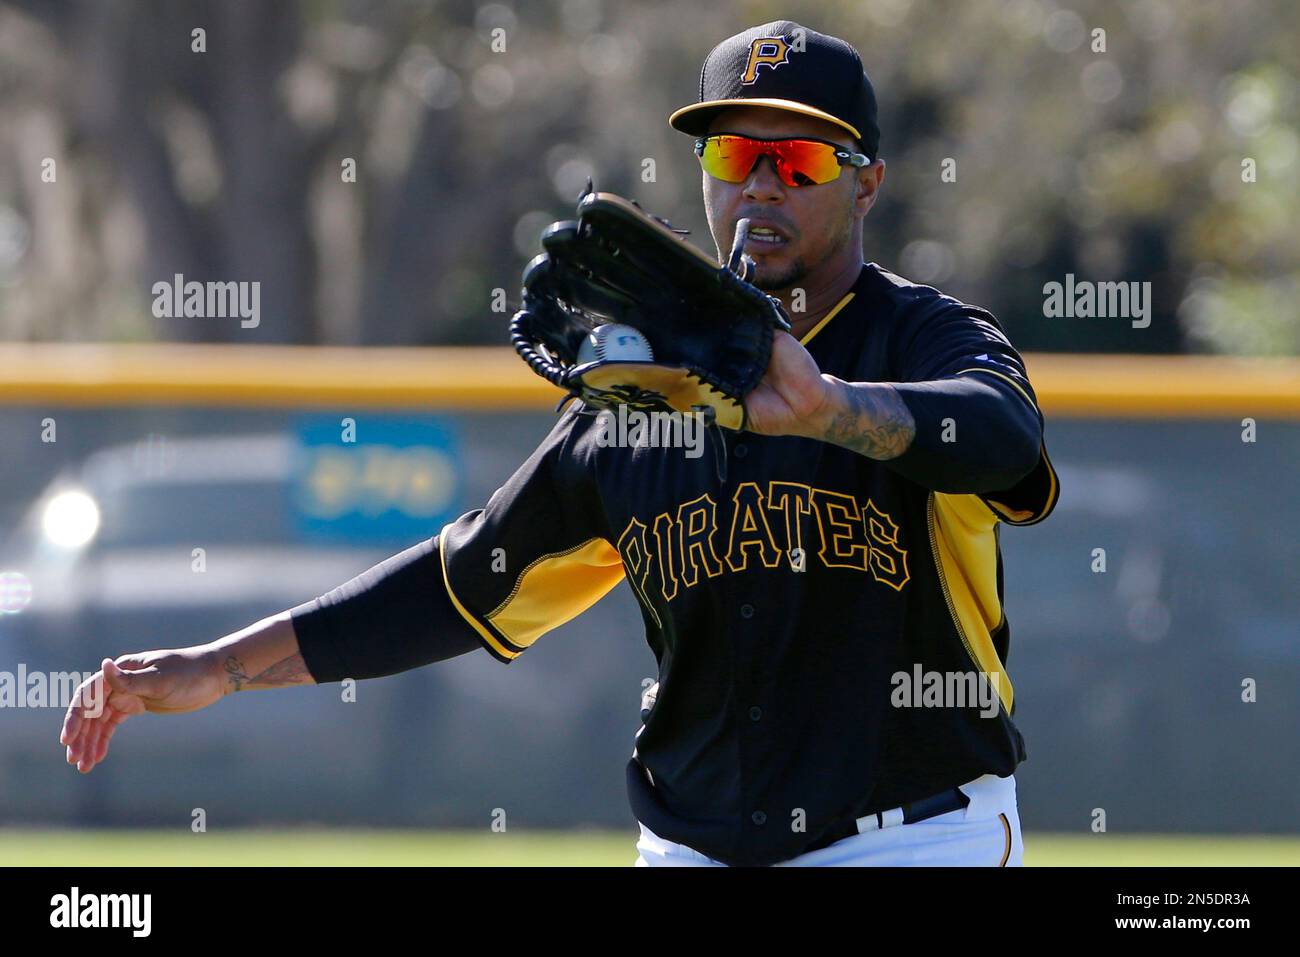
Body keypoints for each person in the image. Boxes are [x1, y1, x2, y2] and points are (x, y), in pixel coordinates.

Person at [60, 20, 1059, 867]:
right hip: (693, 840)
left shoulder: (923, 339)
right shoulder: (636, 393)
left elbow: (1006, 442)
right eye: (727, 156)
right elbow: (464, 582)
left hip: (906, 837)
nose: (756, 185)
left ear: (866, 182)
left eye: (792, 160)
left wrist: (833, 409)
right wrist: (220, 667)